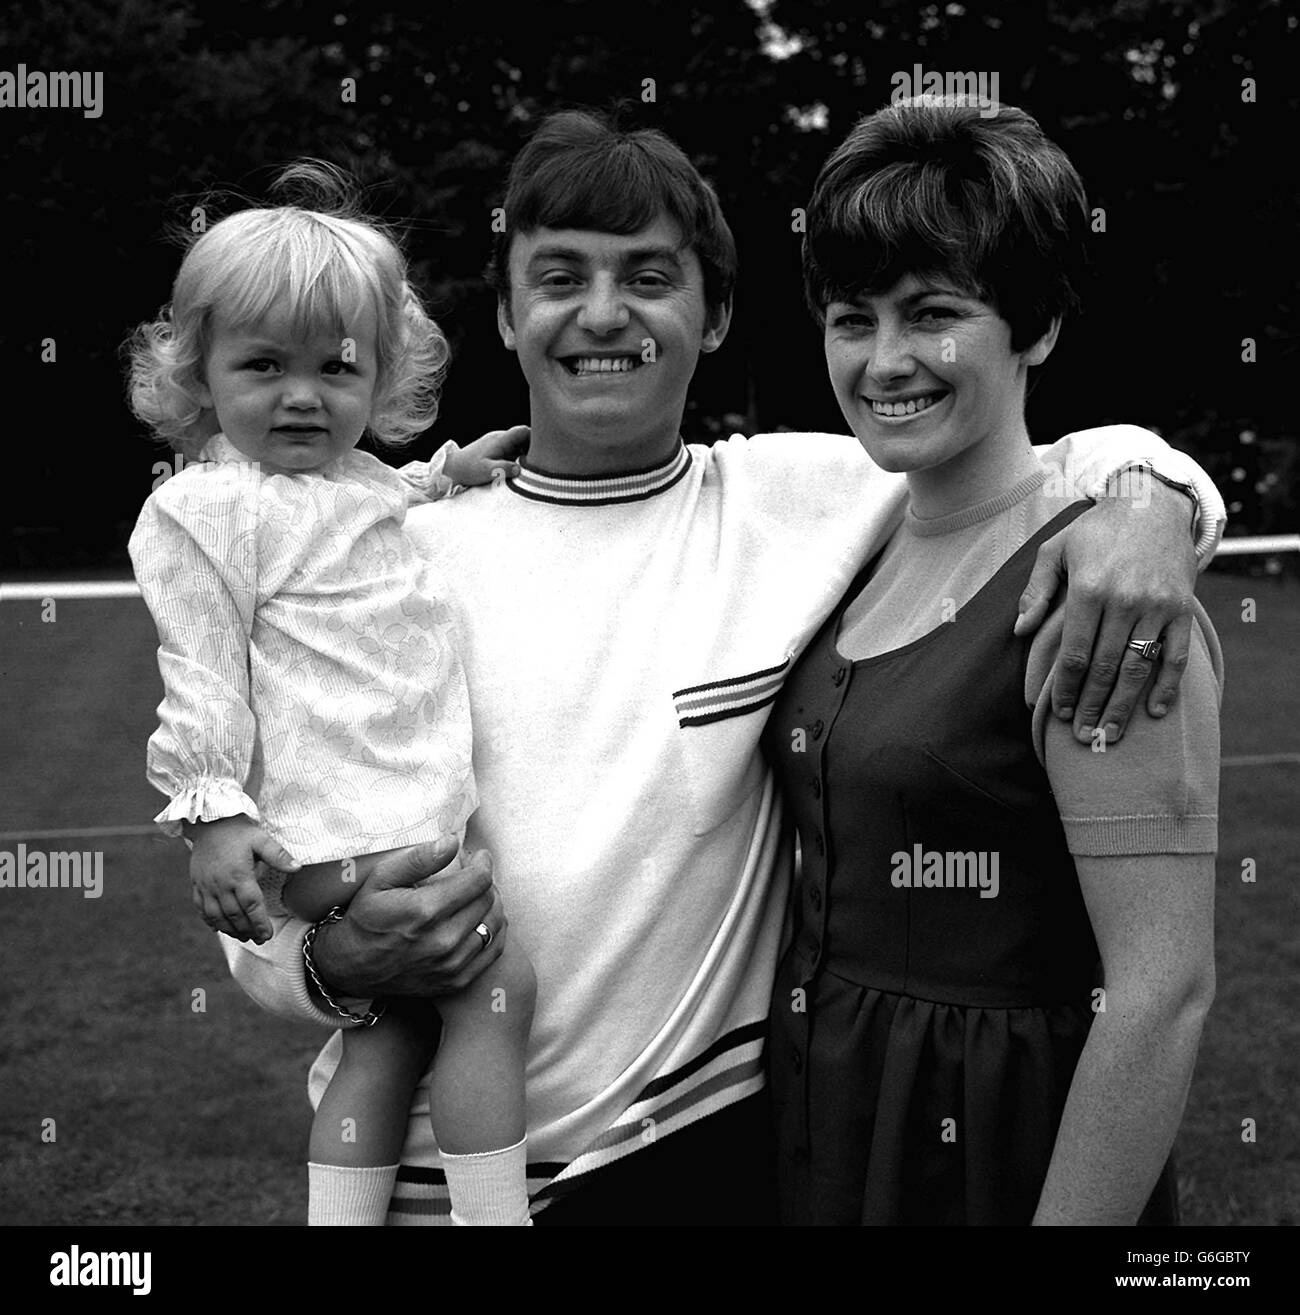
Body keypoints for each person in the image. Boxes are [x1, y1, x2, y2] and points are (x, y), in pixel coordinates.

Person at [219, 112, 1226, 1225]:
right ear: (505, 317)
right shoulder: (378, 565)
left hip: (707, 1163)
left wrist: (1148, 497)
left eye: (649, 277)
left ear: (718, 315)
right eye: (559, 278)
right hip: (432, 1189)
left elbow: (1016, 462)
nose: (602, 314)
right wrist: (335, 958)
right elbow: (259, 903)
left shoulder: (809, 497)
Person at [764, 96, 1220, 1225]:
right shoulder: (846, 551)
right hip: (823, 1128)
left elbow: (1162, 994)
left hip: (993, 1155)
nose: (884, 362)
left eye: (933, 313)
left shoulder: (1103, 585)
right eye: (850, 317)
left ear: (1035, 325)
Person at [126, 163, 535, 1226]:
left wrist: (448, 470)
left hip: (376, 826)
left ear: (379, 375)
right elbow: (200, 667)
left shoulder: (352, 481)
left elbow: (383, 498)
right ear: (199, 374)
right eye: (263, 365)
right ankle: (498, 1216)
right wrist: (213, 811)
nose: (303, 394)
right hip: (351, 830)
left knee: (388, 1031)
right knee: (496, 993)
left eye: (336, 368)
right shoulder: (209, 508)